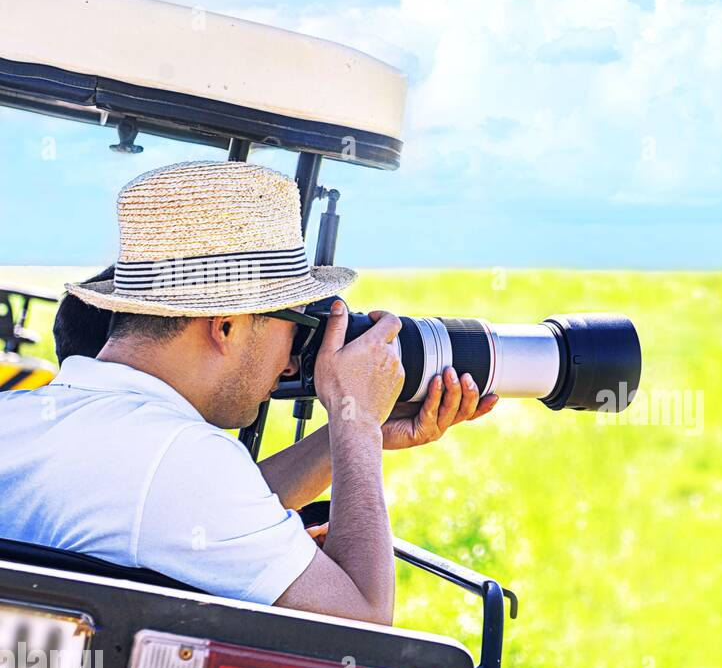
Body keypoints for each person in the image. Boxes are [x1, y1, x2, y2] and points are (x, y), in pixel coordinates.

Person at [0, 160, 497, 625]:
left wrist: (340, 439)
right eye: (295, 323)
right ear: (227, 327)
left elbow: (191, 510)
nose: (291, 360)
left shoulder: (21, 415)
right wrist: (357, 423)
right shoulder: (186, 461)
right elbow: (363, 620)